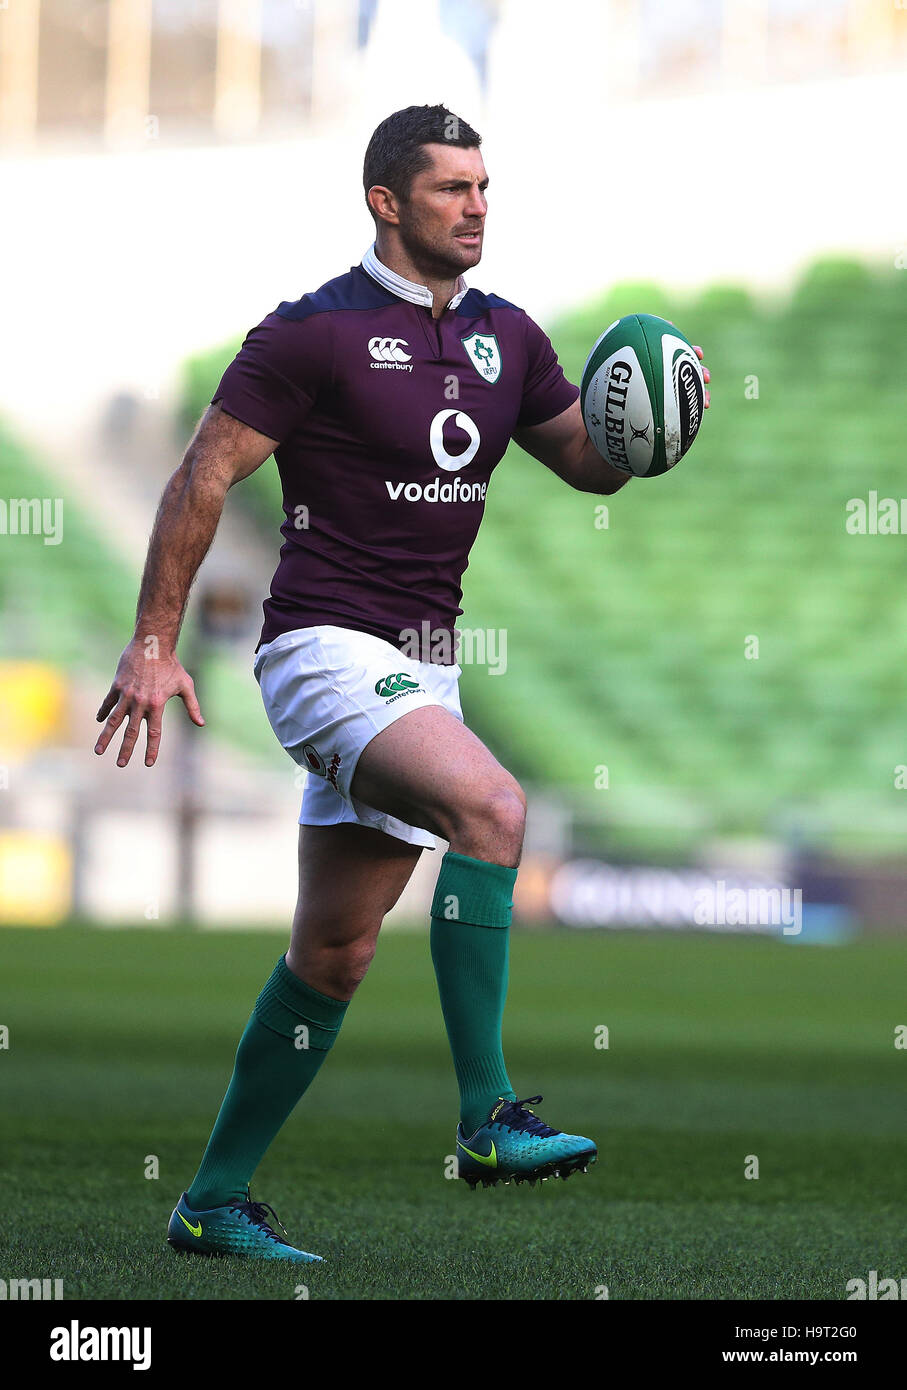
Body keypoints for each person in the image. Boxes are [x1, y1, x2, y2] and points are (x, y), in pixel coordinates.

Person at [94, 104, 709, 1263]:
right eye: (451, 189)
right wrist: (152, 640)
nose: (478, 206)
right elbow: (204, 471)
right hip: (323, 650)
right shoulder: (309, 333)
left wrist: (653, 432)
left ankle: (210, 1204)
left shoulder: (510, 338)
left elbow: (586, 461)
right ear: (386, 201)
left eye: (485, 187)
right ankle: (487, 1118)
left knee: (334, 953)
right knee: (495, 810)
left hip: (425, 667)